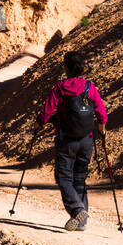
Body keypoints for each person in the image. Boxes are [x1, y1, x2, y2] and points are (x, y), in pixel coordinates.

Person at [37, 51, 108, 231]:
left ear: (66, 68)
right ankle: (81, 223)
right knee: (79, 178)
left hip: (67, 140)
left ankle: (77, 210)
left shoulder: (60, 88)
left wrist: (39, 124)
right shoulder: (89, 87)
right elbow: (101, 113)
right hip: (87, 140)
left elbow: (45, 113)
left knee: (63, 177)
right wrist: (102, 131)